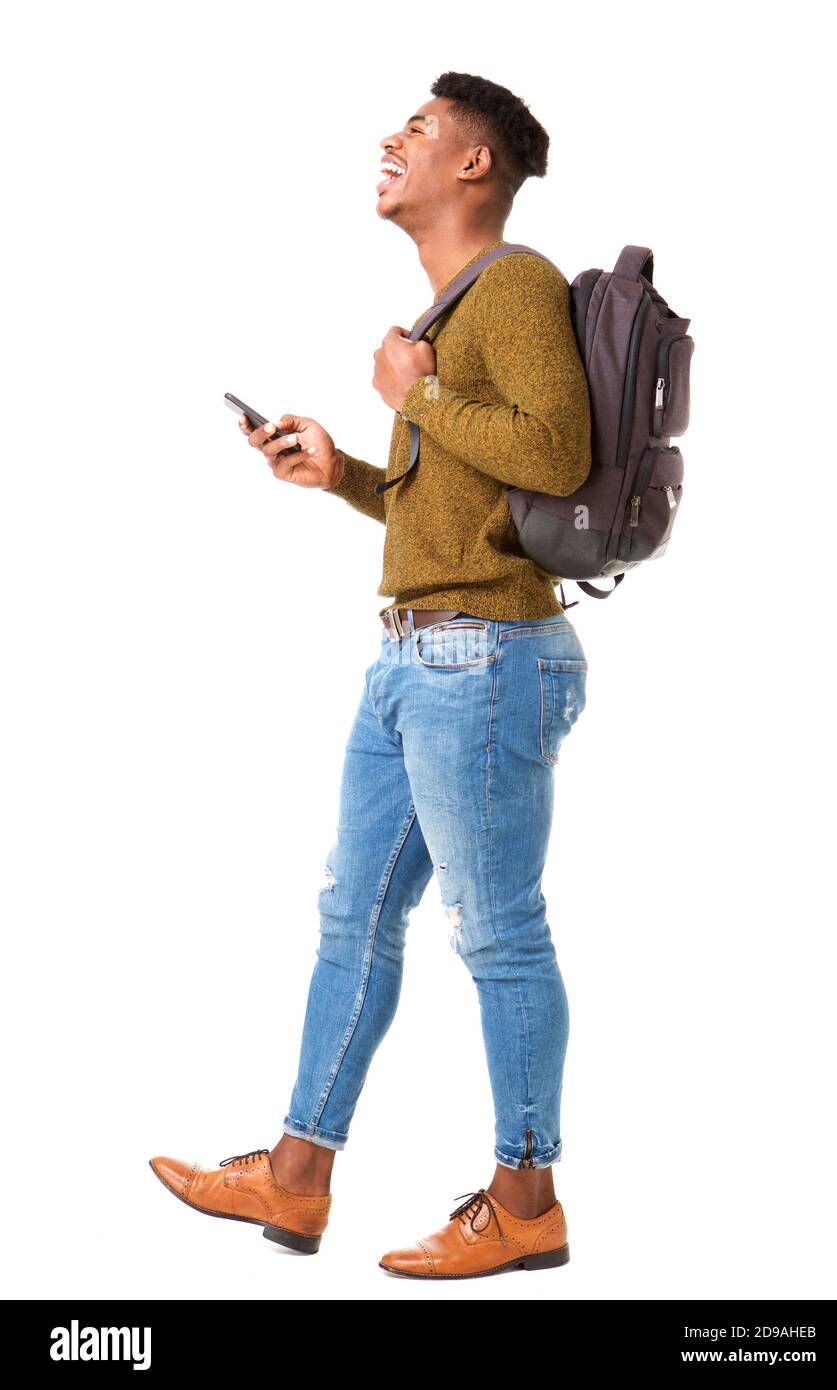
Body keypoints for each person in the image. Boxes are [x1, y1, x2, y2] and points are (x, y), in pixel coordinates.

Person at [150, 70, 592, 1279]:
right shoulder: (452, 312)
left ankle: (525, 1200)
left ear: (473, 168)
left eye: (418, 130)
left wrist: (419, 391)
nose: (388, 141)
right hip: (415, 659)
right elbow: (449, 508)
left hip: (485, 660)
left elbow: (554, 455)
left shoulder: (516, 286)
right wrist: (342, 468)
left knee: (497, 933)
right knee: (354, 917)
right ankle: (294, 1181)